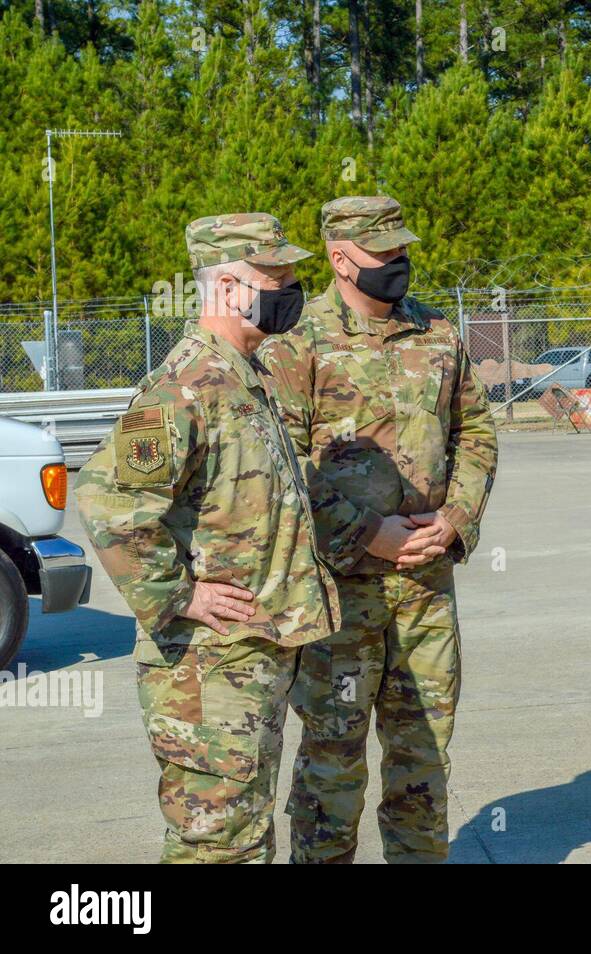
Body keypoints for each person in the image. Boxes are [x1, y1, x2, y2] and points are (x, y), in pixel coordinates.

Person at [75, 213, 338, 863]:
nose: (291, 286)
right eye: (273, 276)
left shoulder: (246, 375)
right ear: (225, 286)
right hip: (205, 668)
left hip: (253, 656)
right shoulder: (187, 383)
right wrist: (179, 594)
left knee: (245, 833)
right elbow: (110, 501)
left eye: (291, 273)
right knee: (216, 844)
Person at [259, 195, 497, 864]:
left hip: (426, 588)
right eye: (383, 253)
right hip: (340, 597)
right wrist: (366, 533)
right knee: (332, 766)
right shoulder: (297, 345)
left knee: (422, 761)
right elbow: (282, 465)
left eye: (403, 250)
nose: (400, 262)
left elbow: (475, 430)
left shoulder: (438, 334)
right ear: (340, 258)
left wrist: (457, 517)